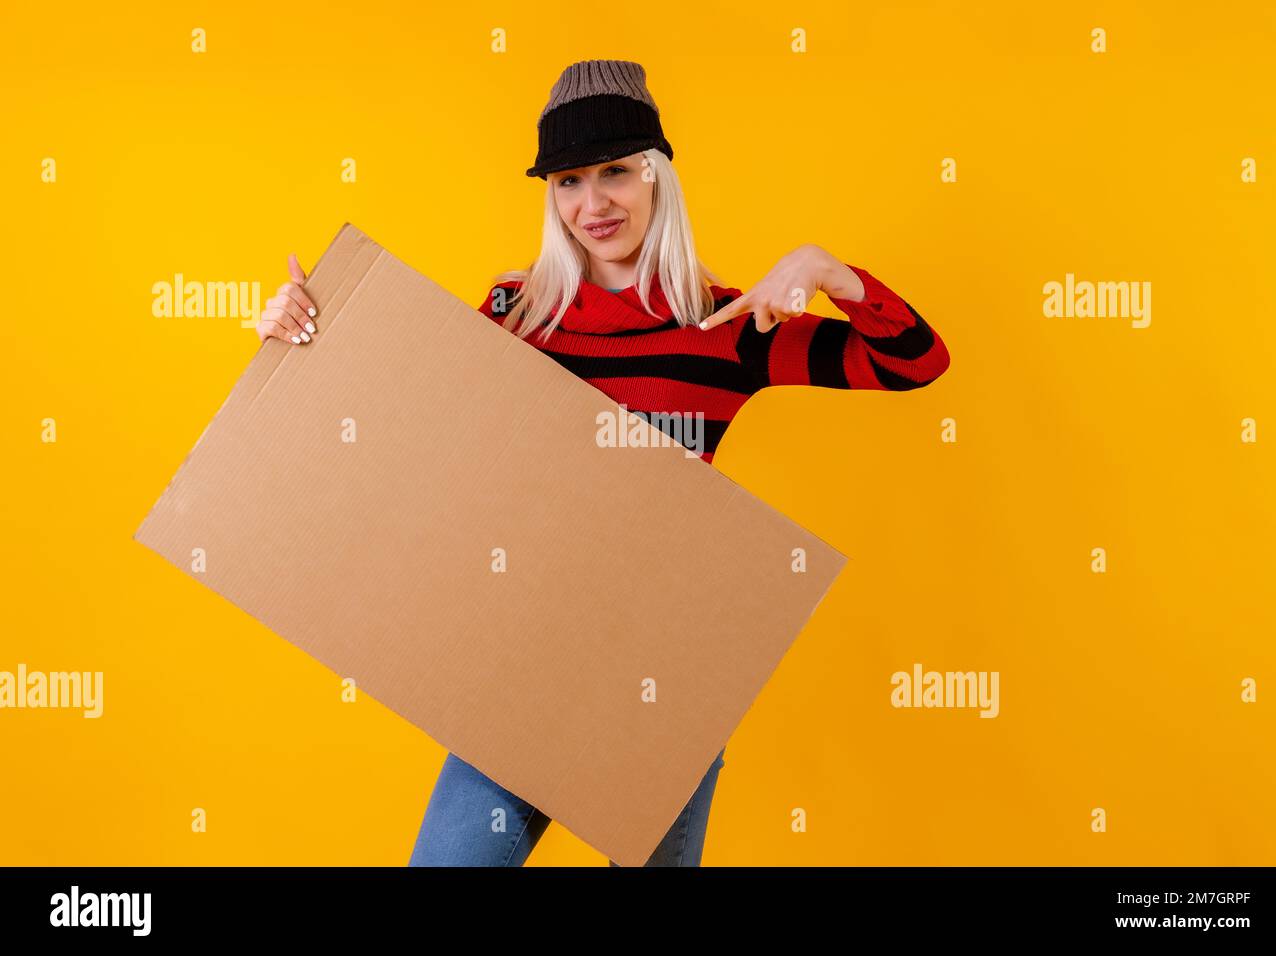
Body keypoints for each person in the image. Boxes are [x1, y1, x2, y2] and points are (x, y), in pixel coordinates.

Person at [255, 59, 951, 866]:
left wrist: (832, 273)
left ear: (657, 173)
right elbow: (394, 437)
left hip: (662, 686)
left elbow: (915, 362)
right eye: (568, 181)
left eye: (616, 171)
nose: (593, 204)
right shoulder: (513, 316)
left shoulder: (727, 325)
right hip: (517, 671)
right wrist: (302, 336)